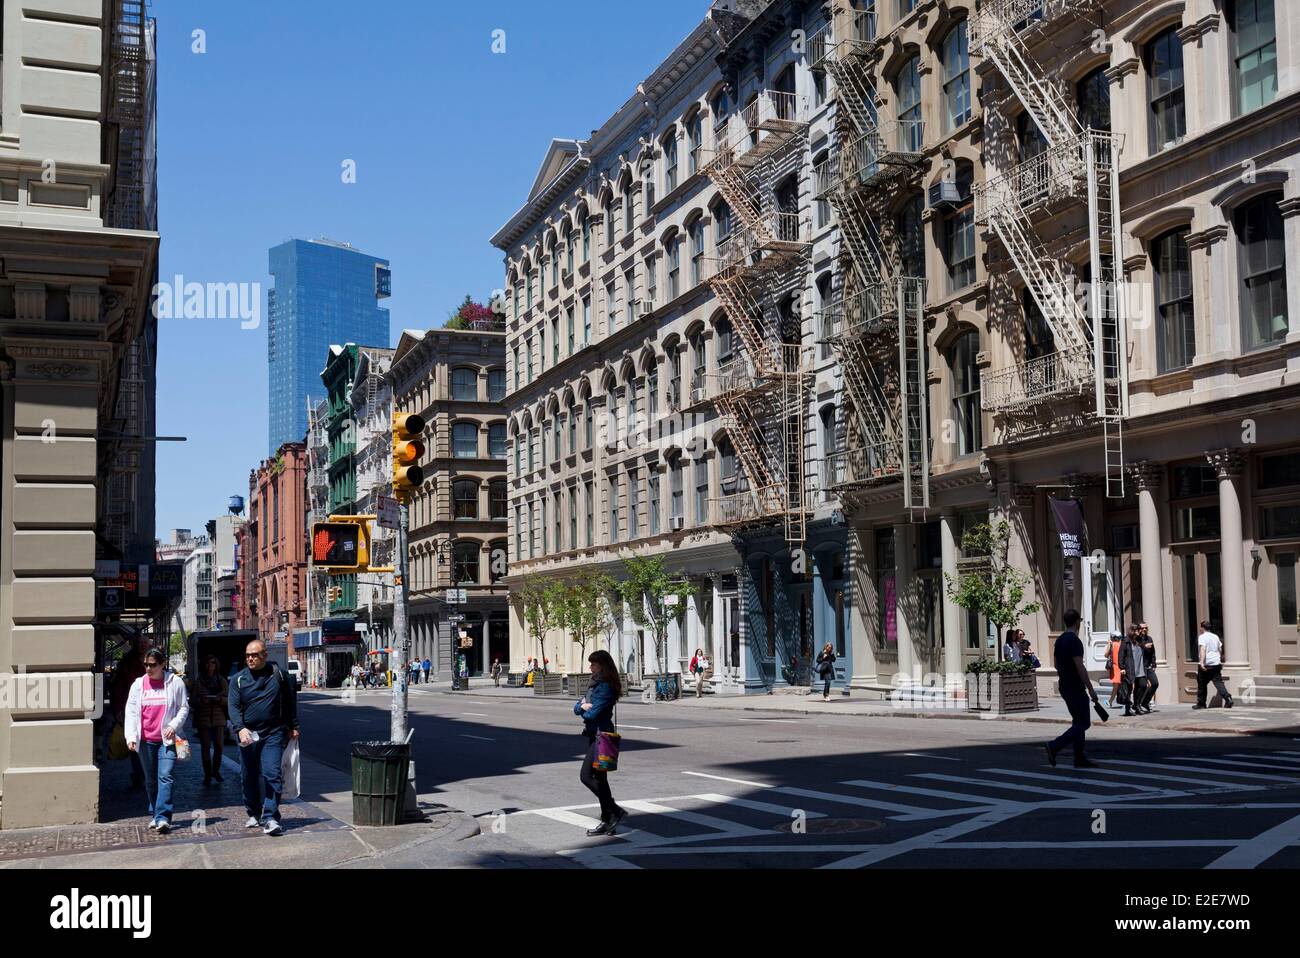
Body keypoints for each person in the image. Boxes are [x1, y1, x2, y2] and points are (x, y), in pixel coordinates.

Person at [229, 638, 300, 836]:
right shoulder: (238, 679)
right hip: (248, 734)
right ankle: (253, 812)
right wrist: (240, 728)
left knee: (272, 773)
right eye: (248, 656)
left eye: (255, 655)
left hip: (273, 733)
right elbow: (233, 707)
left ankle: (270, 817)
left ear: (265, 655)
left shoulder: (280, 676)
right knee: (248, 775)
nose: (250, 659)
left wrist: (294, 725)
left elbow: (289, 702)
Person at [124, 647, 190, 833]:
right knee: (151, 780)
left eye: (153, 665)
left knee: (166, 776)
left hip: (166, 740)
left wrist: (173, 726)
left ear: (162, 664)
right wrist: (131, 736)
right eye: (145, 664)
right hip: (145, 740)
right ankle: (155, 812)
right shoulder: (138, 685)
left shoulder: (175, 682)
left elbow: (183, 708)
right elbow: (131, 712)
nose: (148, 668)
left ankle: (163, 817)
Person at [575, 650, 626, 837]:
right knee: (600, 780)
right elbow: (577, 706)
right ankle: (608, 820)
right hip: (593, 735)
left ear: (602, 666)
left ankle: (615, 811)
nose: (590, 667)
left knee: (586, 776)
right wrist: (581, 706)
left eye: (593, 664)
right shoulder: (594, 684)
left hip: (601, 736)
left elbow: (592, 713)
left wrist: (583, 707)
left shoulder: (604, 687)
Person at [1045, 609, 1100, 769]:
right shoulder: (1075, 641)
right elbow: (1079, 666)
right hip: (1075, 686)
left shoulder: (1060, 640)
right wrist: (1090, 688)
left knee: (1078, 721)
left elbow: (1055, 664)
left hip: (1064, 684)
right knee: (1084, 723)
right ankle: (1055, 746)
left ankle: (1079, 758)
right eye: (1080, 621)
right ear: (1077, 622)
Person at [111, 637, 149, 789]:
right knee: (134, 743)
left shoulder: (154, 660)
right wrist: (118, 709)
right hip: (131, 708)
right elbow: (118, 688)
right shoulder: (127, 663)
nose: (142, 645)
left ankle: (145, 774)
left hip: (151, 708)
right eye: (140, 643)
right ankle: (140, 774)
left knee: (150, 742)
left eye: (145, 643)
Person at [192, 654, 229, 786]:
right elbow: (193, 700)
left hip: (219, 718)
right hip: (204, 718)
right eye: (208, 663)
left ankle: (216, 770)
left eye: (212, 663)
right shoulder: (199, 681)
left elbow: (229, 699)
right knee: (205, 748)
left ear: (216, 665)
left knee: (219, 746)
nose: (210, 666)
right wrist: (201, 700)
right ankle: (208, 774)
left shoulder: (222, 681)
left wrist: (220, 699)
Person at [1195, 620, 1233, 709]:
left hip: (1207, 664)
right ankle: (1228, 699)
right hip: (1216, 663)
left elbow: (1203, 649)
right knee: (1218, 682)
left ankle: (1201, 704)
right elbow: (1220, 649)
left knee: (1202, 684)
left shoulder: (1202, 637)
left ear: (1202, 628)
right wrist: (1219, 659)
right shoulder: (1215, 636)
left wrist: (1201, 663)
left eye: (1200, 627)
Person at [1119, 627, 1146, 717]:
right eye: (1137, 630)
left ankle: (1136, 705)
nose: (1139, 631)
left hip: (1140, 668)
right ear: (1133, 631)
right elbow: (1121, 655)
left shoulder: (1139, 640)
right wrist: (1122, 667)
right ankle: (1128, 709)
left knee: (1142, 686)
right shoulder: (1126, 641)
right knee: (1129, 689)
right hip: (1130, 669)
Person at [1137, 623, 1159, 712]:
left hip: (1148, 665)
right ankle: (1137, 704)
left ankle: (1145, 702)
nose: (1145, 629)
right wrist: (1144, 646)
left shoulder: (1149, 638)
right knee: (1143, 686)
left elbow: (1153, 652)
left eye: (1146, 628)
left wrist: (1154, 663)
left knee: (1155, 683)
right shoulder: (1137, 639)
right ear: (1139, 629)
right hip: (1140, 666)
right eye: (1143, 628)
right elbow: (1136, 651)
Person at [1105, 632, 1123, 707]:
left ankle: (1110, 701)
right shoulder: (1121, 645)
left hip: (1115, 667)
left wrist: (1108, 644)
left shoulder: (1112, 644)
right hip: (1121, 666)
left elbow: (1106, 655)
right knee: (1118, 685)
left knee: (1115, 686)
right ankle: (1112, 701)